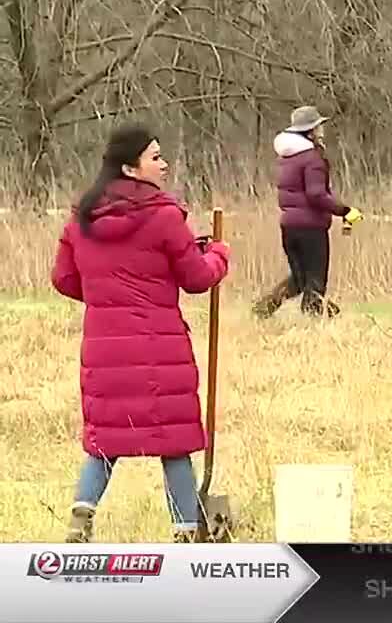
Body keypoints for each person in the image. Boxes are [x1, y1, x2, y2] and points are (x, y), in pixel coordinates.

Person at [51, 123, 231, 543]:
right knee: (174, 440)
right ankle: (186, 533)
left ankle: (81, 519)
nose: (163, 164)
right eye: (154, 157)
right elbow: (197, 278)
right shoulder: (164, 216)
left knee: (104, 440)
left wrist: (105, 296)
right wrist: (220, 254)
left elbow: (63, 277)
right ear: (131, 169)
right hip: (160, 347)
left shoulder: (82, 217)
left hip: (102, 348)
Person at [253, 106, 362, 319]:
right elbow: (316, 195)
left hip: (289, 226)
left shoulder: (287, 157)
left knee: (300, 279)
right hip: (310, 228)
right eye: (319, 126)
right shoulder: (312, 158)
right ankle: (315, 319)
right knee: (315, 280)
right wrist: (345, 211)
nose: (322, 130)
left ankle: (263, 309)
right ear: (310, 131)